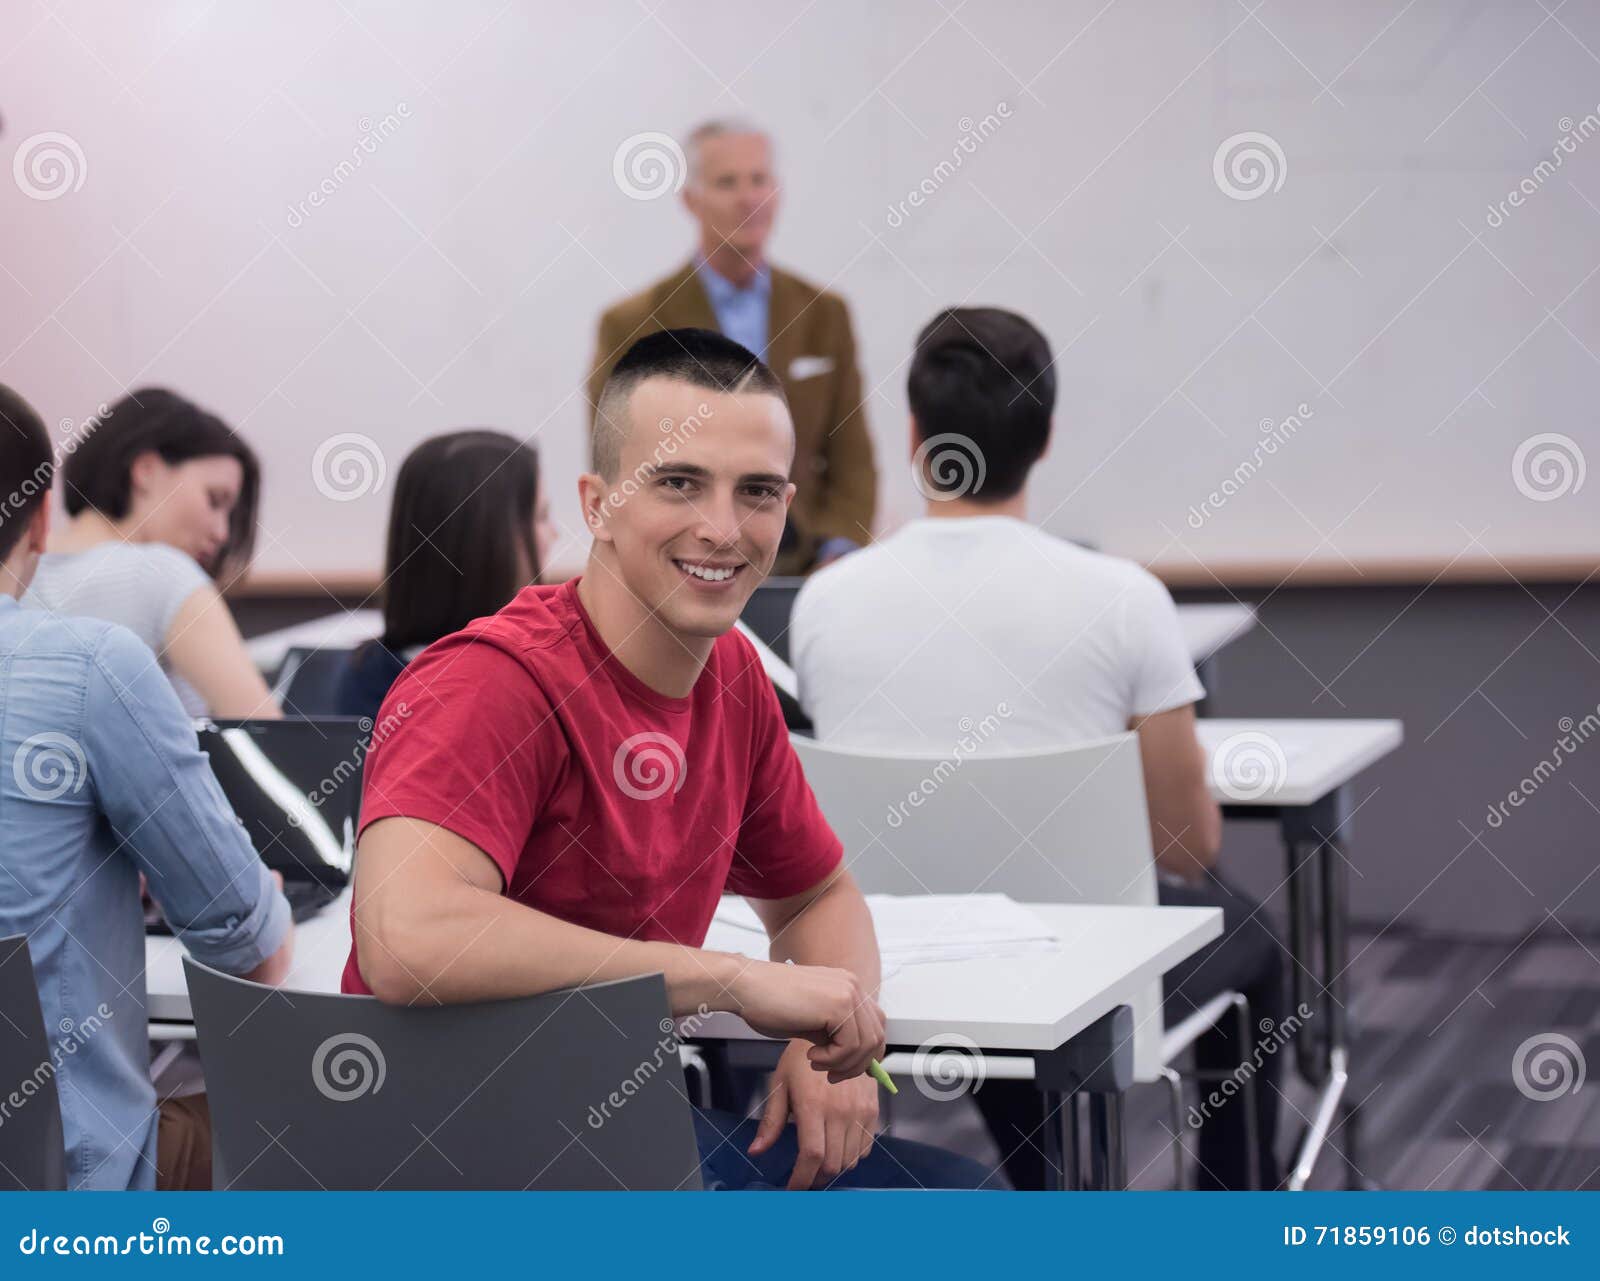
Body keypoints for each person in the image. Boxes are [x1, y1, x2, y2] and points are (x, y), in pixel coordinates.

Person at [343, 330, 985, 1191]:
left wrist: (827, 1033)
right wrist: (732, 981)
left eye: (756, 493)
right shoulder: (490, 681)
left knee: (962, 1193)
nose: (722, 529)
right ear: (599, 503)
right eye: (680, 482)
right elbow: (405, 938)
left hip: (611, 1137)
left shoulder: (734, 675)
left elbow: (817, 895)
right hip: (451, 1159)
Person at [789, 308, 1286, 1191]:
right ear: (1046, 435)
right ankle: (1229, 1222)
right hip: (1080, 977)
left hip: (890, 976)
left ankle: (1052, 1195)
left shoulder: (825, 603)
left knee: (1003, 946)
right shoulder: (1125, 599)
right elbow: (1188, 846)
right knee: (1249, 935)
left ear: (913, 437)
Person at [0, 384, 294, 1191]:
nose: (222, 529)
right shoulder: (94, 658)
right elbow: (253, 949)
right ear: (36, 518)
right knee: (348, 1106)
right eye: (216, 500)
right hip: (65, 1189)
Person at [588, 119, 876, 575]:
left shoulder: (825, 314)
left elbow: (852, 456)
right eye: (727, 182)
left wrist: (838, 551)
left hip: (805, 568)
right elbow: (616, 466)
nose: (749, 197)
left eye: (759, 179)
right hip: (683, 563)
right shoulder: (632, 323)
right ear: (690, 200)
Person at [23, 388, 278, 719]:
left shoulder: (18, 570)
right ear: (145, 470)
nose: (222, 532)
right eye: (215, 500)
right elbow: (268, 732)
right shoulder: (166, 574)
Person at [334, 430, 557, 723]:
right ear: (487, 536)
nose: (554, 533)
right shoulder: (387, 686)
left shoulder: (367, 673)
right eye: (540, 517)